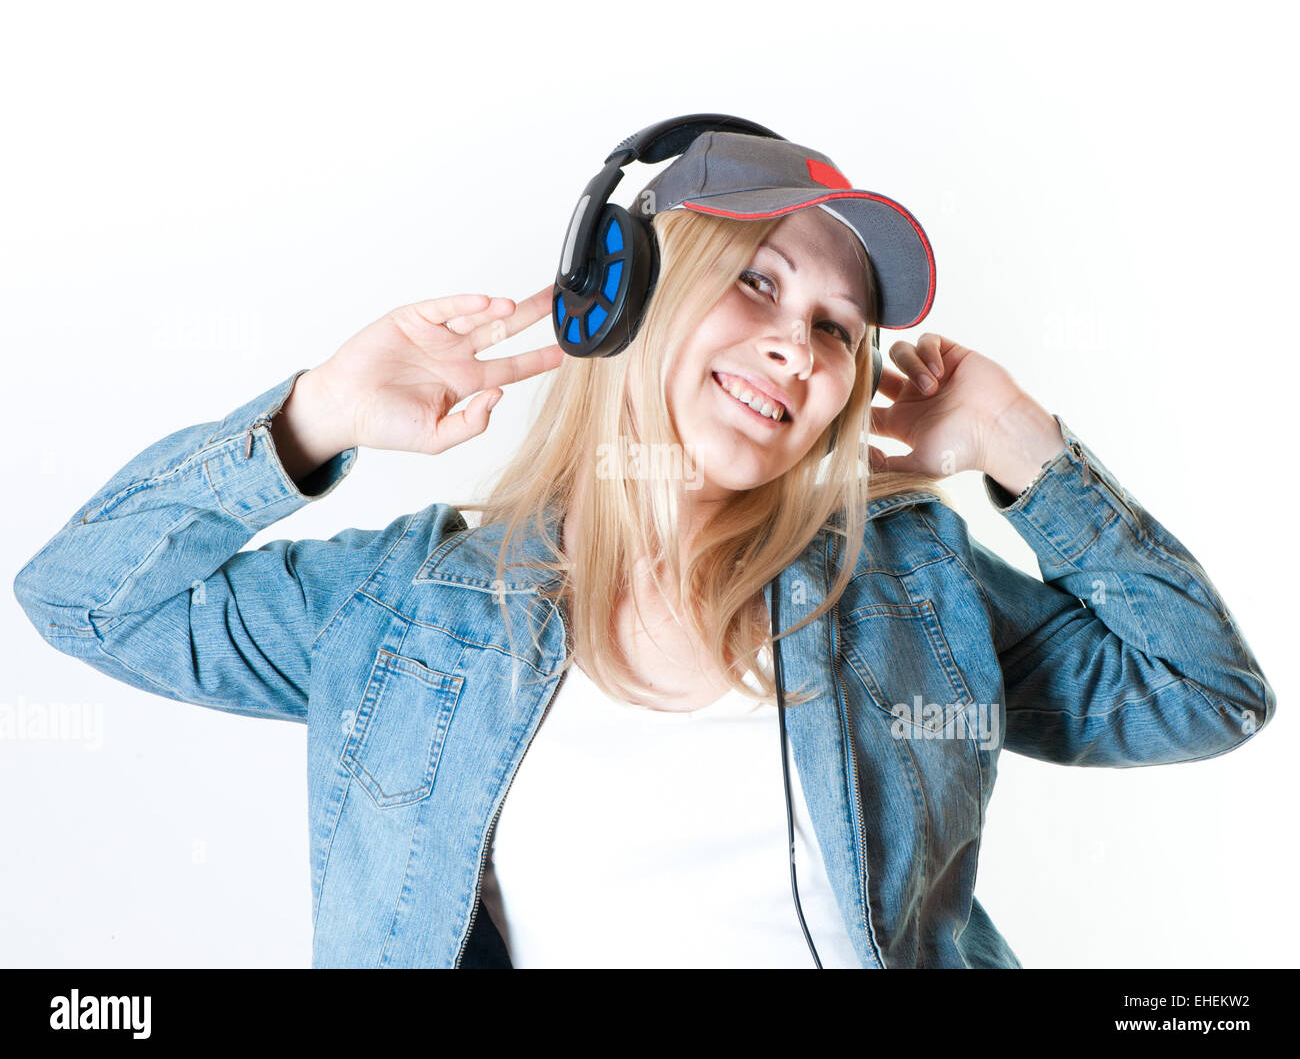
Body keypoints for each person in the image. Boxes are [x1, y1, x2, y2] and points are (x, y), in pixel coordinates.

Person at [13, 127, 1275, 969]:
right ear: (619, 293)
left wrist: (1021, 446)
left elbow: (1203, 696)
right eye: (762, 285)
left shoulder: (909, 583)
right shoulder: (409, 607)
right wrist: (313, 418)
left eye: (841, 331)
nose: (801, 348)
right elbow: (80, 600)